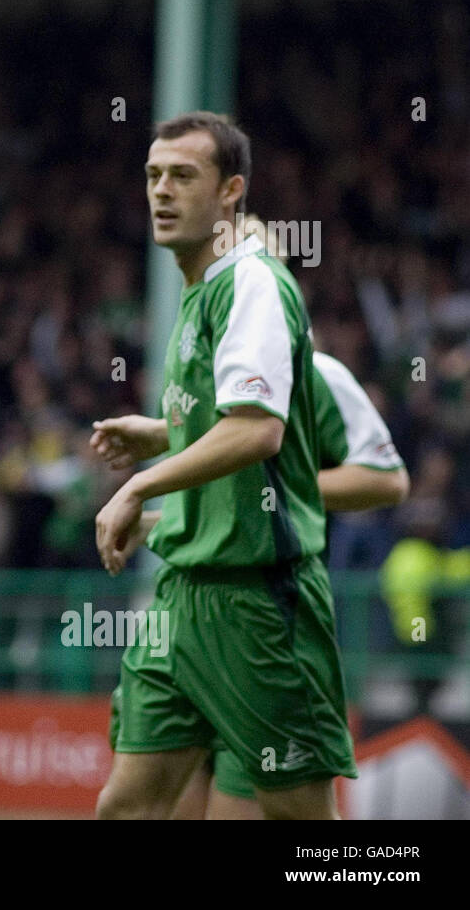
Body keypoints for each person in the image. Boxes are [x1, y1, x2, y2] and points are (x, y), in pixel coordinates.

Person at [90, 112, 356, 820]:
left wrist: (139, 484)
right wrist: (162, 433)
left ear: (231, 190)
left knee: (303, 821)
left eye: (183, 176)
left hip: (259, 602)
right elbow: (224, 421)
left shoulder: (253, 285)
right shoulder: (200, 286)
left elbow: (258, 433)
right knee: (124, 808)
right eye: (152, 176)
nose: (161, 191)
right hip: (181, 597)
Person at [105, 344, 408, 818]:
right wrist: (166, 443)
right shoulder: (201, 372)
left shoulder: (318, 374)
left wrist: (279, 486)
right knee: (128, 806)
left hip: (265, 614)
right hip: (183, 607)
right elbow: (223, 479)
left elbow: (387, 480)